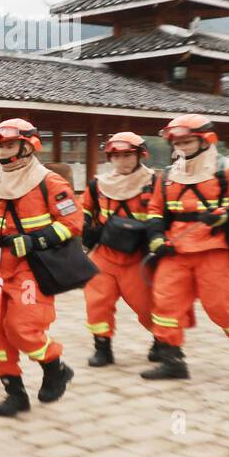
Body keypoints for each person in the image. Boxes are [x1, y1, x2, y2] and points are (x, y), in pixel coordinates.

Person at [0, 118, 82, 416]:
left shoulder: (51, 183)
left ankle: (55, 367)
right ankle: (15, 393)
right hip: (0, 265)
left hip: (34, 267)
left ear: (28, 147)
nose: (3, 152)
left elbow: (73, 223)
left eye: (10, 145)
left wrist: (34, 241)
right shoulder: (0, 183)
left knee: (22, 327)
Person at [142, 114, 229, 380]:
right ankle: (172, 360)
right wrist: (157, 238)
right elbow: (155, 210)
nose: (181, 146)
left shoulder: (224, 170)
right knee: (166, 303)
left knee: (222, 306)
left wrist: (224, 213)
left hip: (214, 249)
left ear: (205, 141)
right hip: (175, 249)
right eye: (177, 142)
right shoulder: (168, 174)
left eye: (187, 141)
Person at [81, 132, 157, 367]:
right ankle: (102, 347)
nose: (122, 161)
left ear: (139, 156)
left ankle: (163, 341)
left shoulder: (155, 183)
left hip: (138, 257)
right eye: (117, 156)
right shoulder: (99, 185)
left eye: (127, 155)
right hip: (104, 255)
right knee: (97, 303)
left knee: (148, 306)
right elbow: (84, 210)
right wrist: (83, 228)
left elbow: (164, 214)